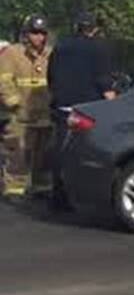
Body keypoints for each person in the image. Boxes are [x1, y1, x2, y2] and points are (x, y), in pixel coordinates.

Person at [47, 11, 117, 209]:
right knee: (88, 153)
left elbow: (50, 77)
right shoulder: (99, 48)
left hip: (63, 107)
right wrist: (114, 105)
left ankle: (58, 196)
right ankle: (86, 195)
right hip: (88, 110)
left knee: (61, 151)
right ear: (94, 29)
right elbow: (104, 81)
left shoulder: (59, 47)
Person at [0, 15, 54, 201]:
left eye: (42, 33)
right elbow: (3, 80)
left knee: (44, 153)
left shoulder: (50, 54)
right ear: (25, 34)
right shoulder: (12, 53)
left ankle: (42, 186)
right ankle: (14, 188)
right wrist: (13, 102)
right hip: (20, 114)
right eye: (35, 32)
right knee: (18, 152)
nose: (39, 37)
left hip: (45, 113)